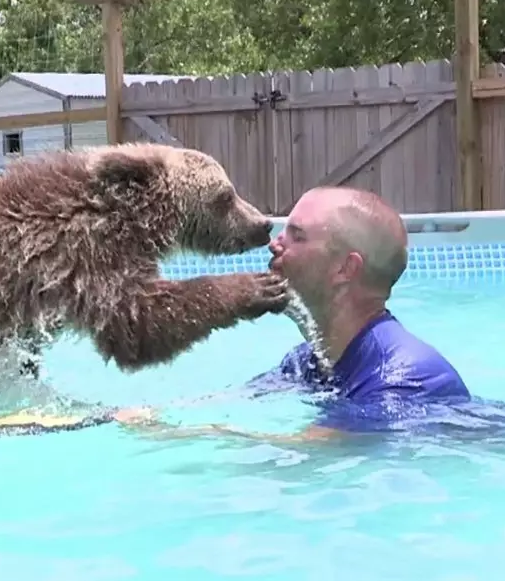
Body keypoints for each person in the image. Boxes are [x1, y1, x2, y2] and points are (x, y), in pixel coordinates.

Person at [113, 186, 470, 443]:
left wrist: (164, 435)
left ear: (345, 269)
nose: (273, 243)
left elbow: (307, 454)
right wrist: (147, 412)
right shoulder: (312, 361)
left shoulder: (401, 381)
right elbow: (236, 398)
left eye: (296, 236)